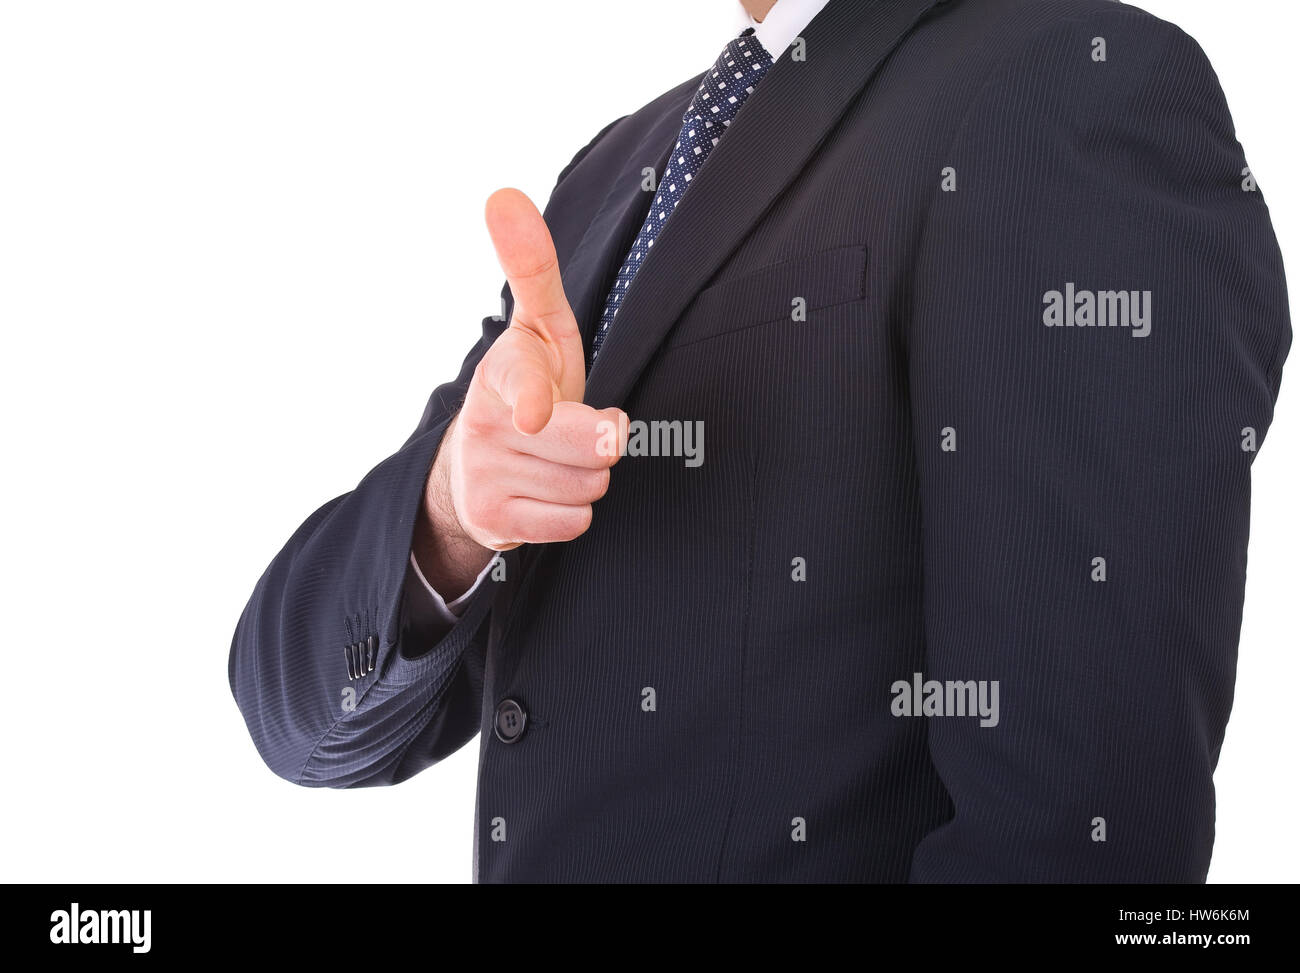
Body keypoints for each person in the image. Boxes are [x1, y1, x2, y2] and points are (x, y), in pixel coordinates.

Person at [229, 0, 1292, 882]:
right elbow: (301, 722)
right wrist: (453, 512)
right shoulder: (612, 174)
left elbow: (1078, 824)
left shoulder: (1069, 85)